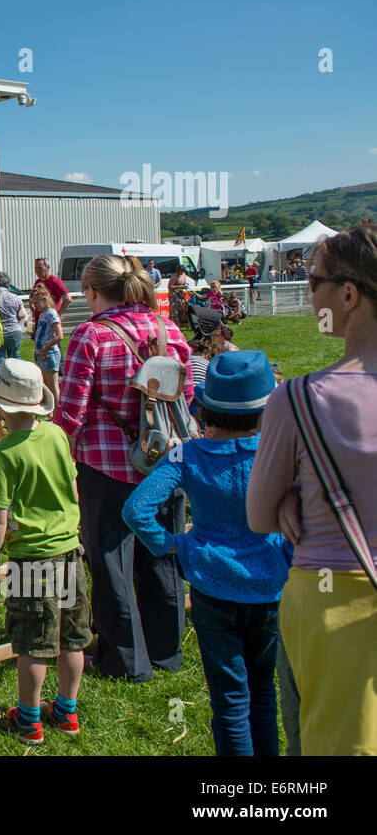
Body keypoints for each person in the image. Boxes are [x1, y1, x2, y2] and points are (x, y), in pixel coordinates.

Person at [247, 224, 377, 756]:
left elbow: (258, 516)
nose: (309, 292)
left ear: (348, 295)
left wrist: (299, 488)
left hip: (330, 593)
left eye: (314, 280)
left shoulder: (298, 401)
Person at [124, 351, 291, 755]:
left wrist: (172, 546)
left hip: (212, 586)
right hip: (271, 587)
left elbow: (135, 509)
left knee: (230, 701)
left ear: (207, 407)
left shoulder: (188, 455)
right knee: (263, 695)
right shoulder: (280, 453)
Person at [53, 254, 194, 682]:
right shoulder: (166, 329)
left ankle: (126, 660)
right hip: (166, 462)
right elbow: (186, 392)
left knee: (110, 560)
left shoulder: (90, 335)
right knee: (162, 554)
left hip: (106, 465)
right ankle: (165, 651)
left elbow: (71, 415)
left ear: (91, 291)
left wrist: (59, 460)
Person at [0, 359, 88, 744]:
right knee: (72, 639)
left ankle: (28, 721)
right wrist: (75, 529)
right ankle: (66, 712)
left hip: (31, 561)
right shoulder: (57, 436)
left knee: (34, 644)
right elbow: (73, 489)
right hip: (69, 551)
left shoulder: (4, 454)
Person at [31, 285, 64, 404]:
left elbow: (59, 336)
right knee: (45, 386)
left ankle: (57, 413)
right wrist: (37, 350)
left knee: (53, 385)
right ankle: (50, 410)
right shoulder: (42, 314)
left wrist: (45, 347)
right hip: (42, 354)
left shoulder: (51, 313)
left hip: (50, 354)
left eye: (36, 303)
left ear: (44, 300)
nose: (35, 306)